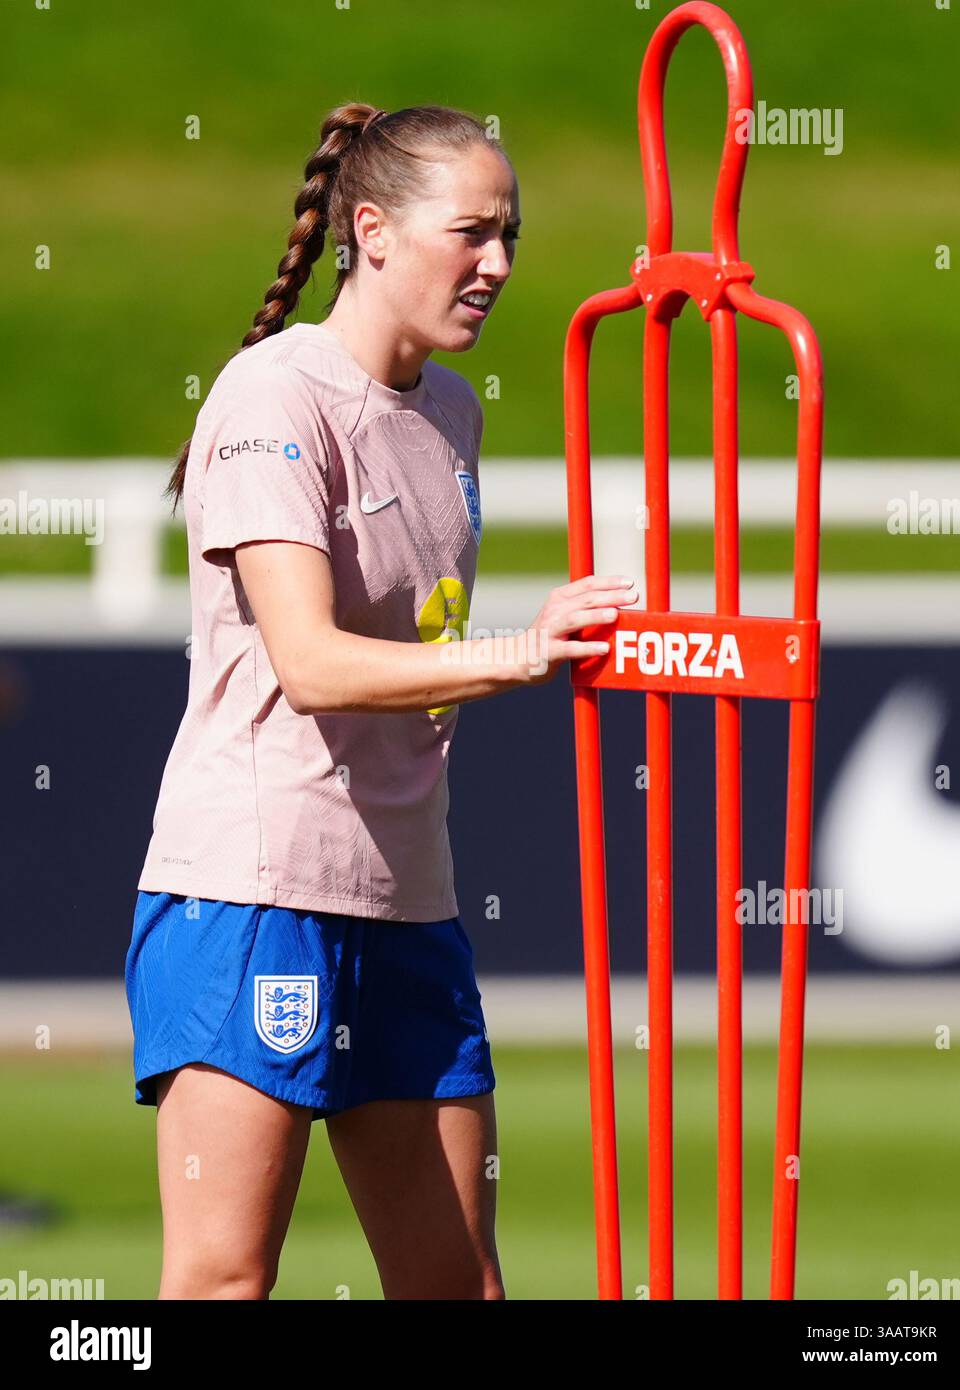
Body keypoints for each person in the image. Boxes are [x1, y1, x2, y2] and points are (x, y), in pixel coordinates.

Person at [125, 101, 638, 1301]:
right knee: (222, 1281)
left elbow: (418, 658)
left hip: (410, 903)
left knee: (458, 1286)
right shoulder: (271, 398)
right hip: (253, 891)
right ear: (374, 230)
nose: (500, 264)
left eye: (510, 233)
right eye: (473, 233)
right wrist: (524, 652)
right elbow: (311, 661)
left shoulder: (453, 412)